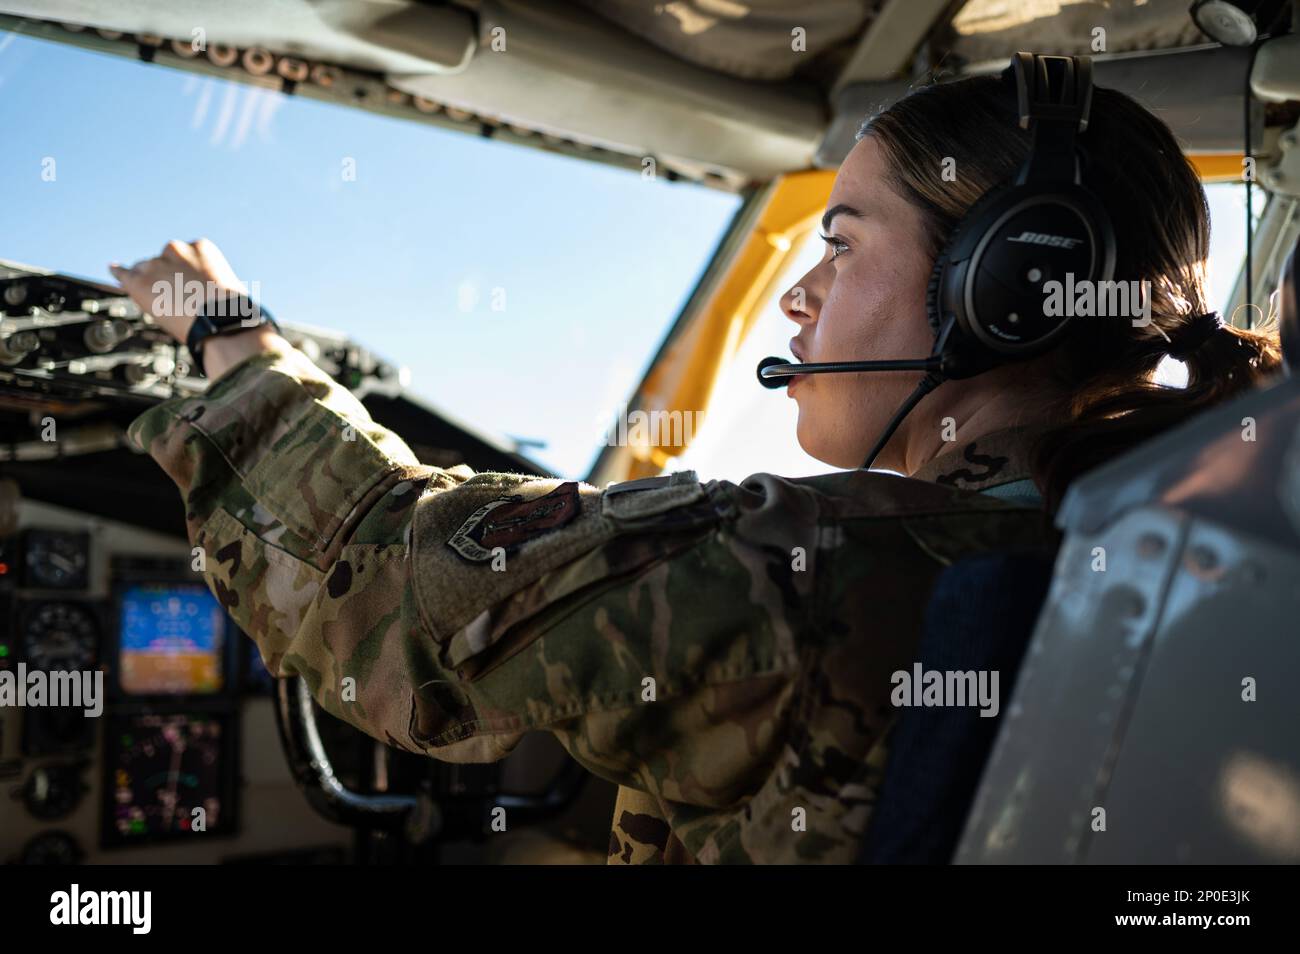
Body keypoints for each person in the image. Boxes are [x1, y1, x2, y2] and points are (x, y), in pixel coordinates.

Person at [111, 64, 1280, 864]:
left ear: (1007, 287)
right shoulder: (1185, 570)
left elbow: (392, 592)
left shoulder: (817, 569)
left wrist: (230, 337)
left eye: (840, 242)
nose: (795, 295)